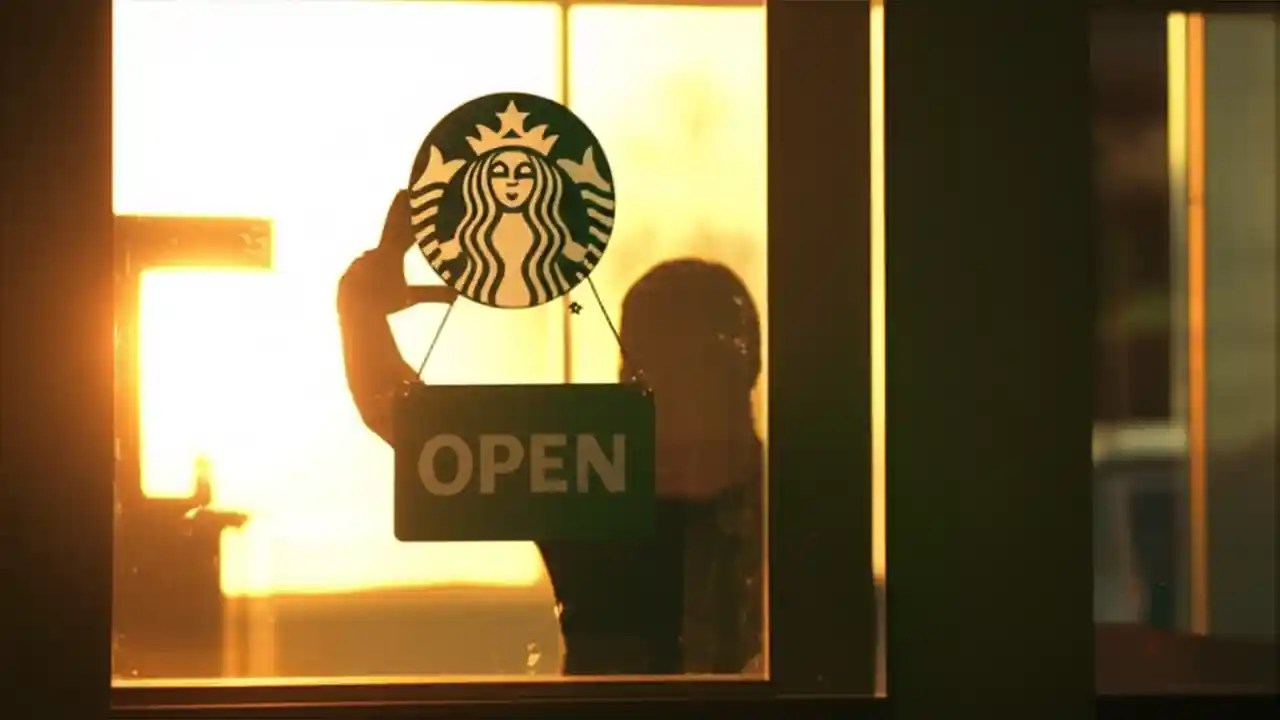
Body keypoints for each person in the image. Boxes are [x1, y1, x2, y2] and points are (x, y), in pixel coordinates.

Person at [338, 190, 762, 674]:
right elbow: (408, 421)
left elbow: (405, 420)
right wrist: (362, 303)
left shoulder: (578, 470)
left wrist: (362, 303)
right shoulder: (584, 468)